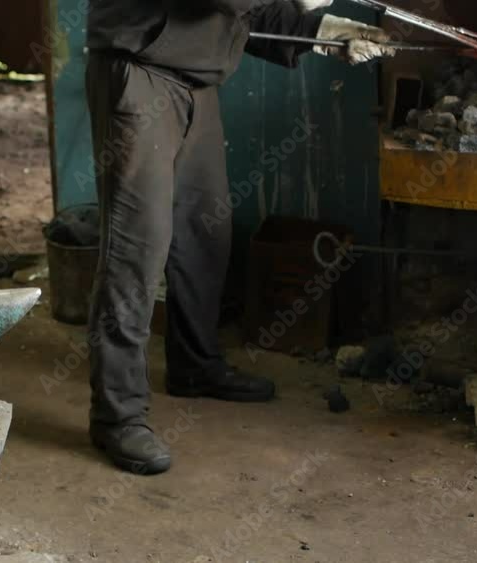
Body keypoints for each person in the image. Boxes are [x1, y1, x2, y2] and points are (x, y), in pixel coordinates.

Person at [84, 0, 395, 475]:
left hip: (195, 81)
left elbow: (240, 16)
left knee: (203, 234)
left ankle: (195, 366)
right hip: (140, 75)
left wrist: (320, 31)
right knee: (136, 250)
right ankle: (117, 416)